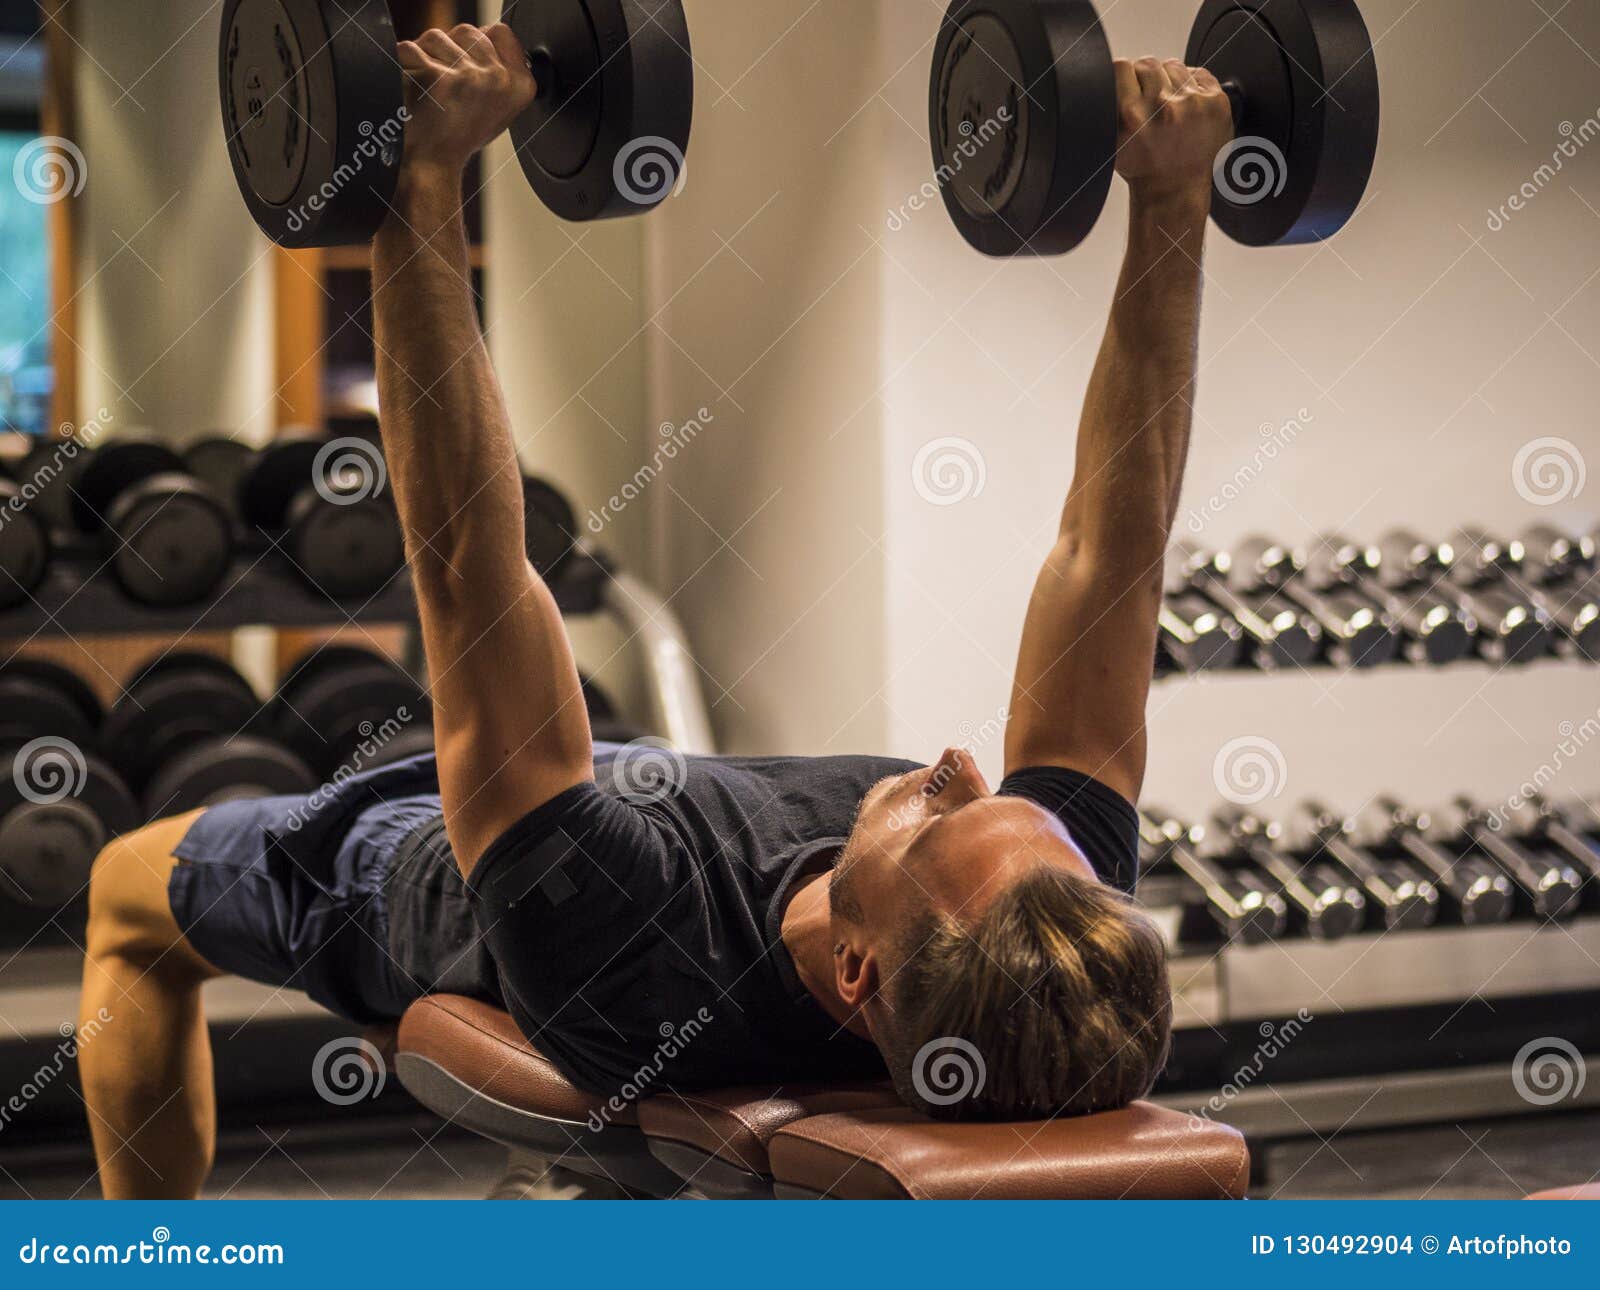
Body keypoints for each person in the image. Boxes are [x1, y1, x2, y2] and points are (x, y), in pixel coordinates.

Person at [79, 24, 1231, 1199]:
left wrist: (421, 179)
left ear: (853, 971)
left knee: (127, 892)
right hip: (627, 801)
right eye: (1008, 799)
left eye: (941, 824)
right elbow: (1110, 555)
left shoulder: (621, 936)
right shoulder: (1043, 923)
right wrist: (1174, 203)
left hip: (454, 872)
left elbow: (473, 566)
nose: (957, 768)